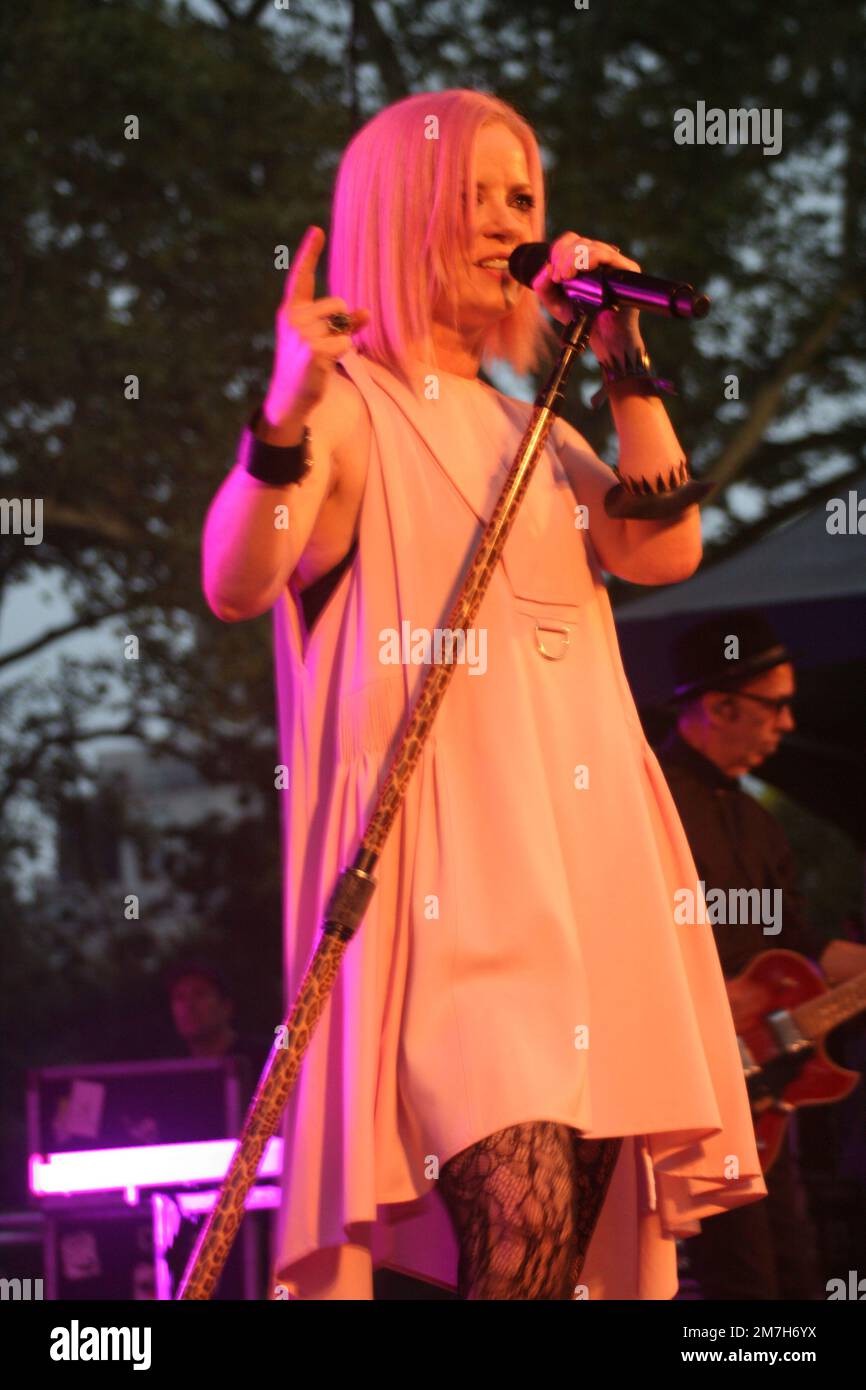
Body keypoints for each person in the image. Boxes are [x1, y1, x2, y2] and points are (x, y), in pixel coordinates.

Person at [201, 87, 767, 1301]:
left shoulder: (540, 434)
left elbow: (662, 547)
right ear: (401, 211)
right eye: (480, 196)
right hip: (454, 892)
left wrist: (622, 361)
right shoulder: (350, 412)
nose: (510, 222)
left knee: (565, 1253)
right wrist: (285, 407)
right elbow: (238, 575)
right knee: (522, 1222)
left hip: (590, 875)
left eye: (526, 198)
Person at [657, 610, 866, 1299]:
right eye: (775, 707)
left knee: (791, 1273)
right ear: (720, 704)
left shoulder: (758, 821)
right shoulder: (644, 801)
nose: (786, 725)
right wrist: (713, 1003)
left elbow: (799, 951)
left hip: (762, 1086)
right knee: (741, 1279)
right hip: (678, 1086)